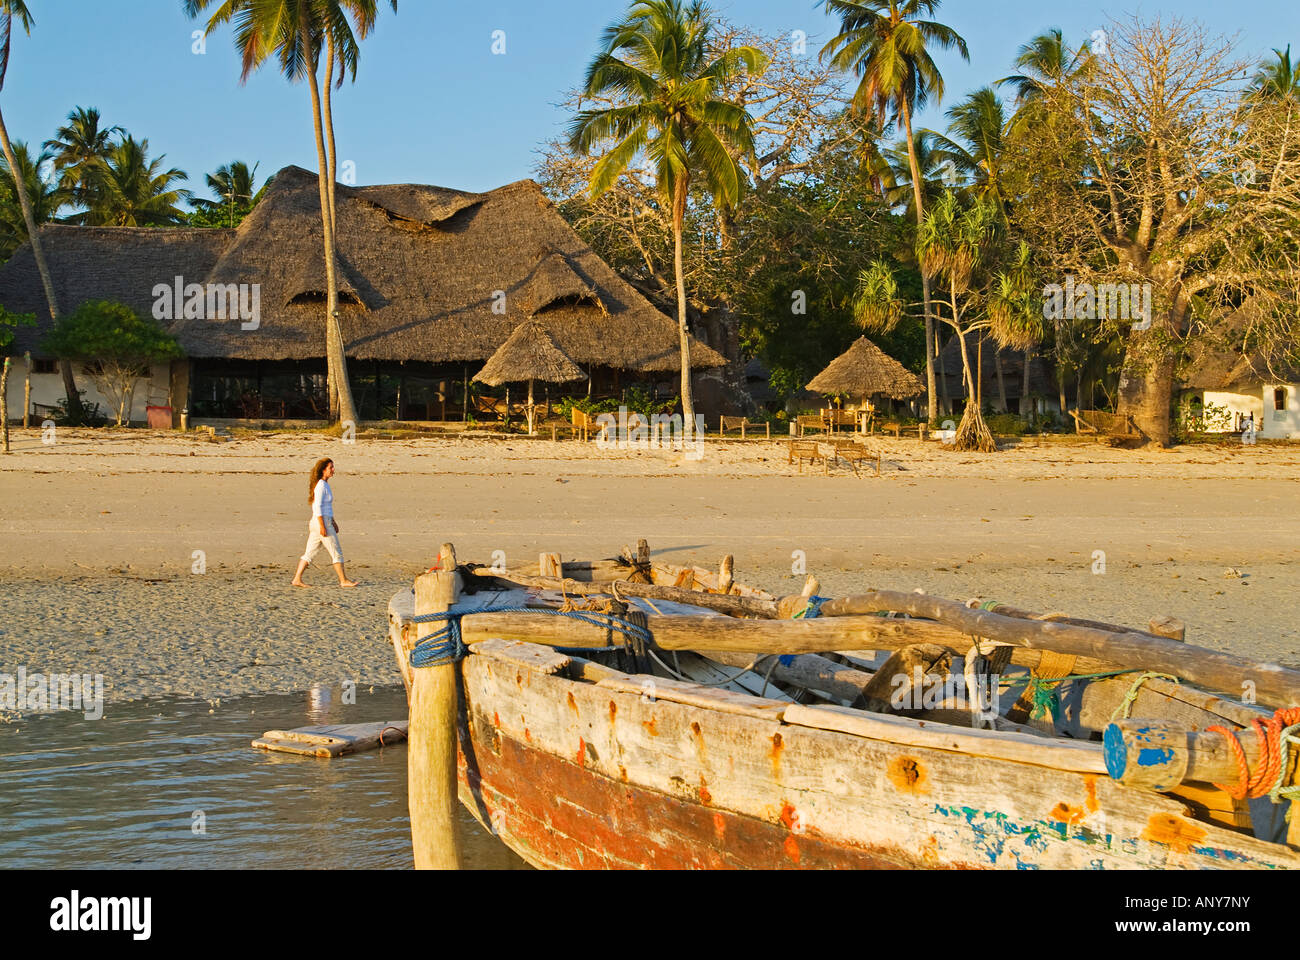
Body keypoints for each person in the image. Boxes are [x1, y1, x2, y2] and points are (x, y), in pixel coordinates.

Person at [291, 458, 357, 588]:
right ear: (323, 470)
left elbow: (327, 507)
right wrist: (323, 526)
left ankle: (297, 579)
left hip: (323, 521)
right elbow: (317, 507)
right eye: (330, 468)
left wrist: (334, 521)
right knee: (336, 552)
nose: (333, 470)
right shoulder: (321, 485)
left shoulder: (324, 484)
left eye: (333, 467)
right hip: (321, 522)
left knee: (309, 552)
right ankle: (343, 580)